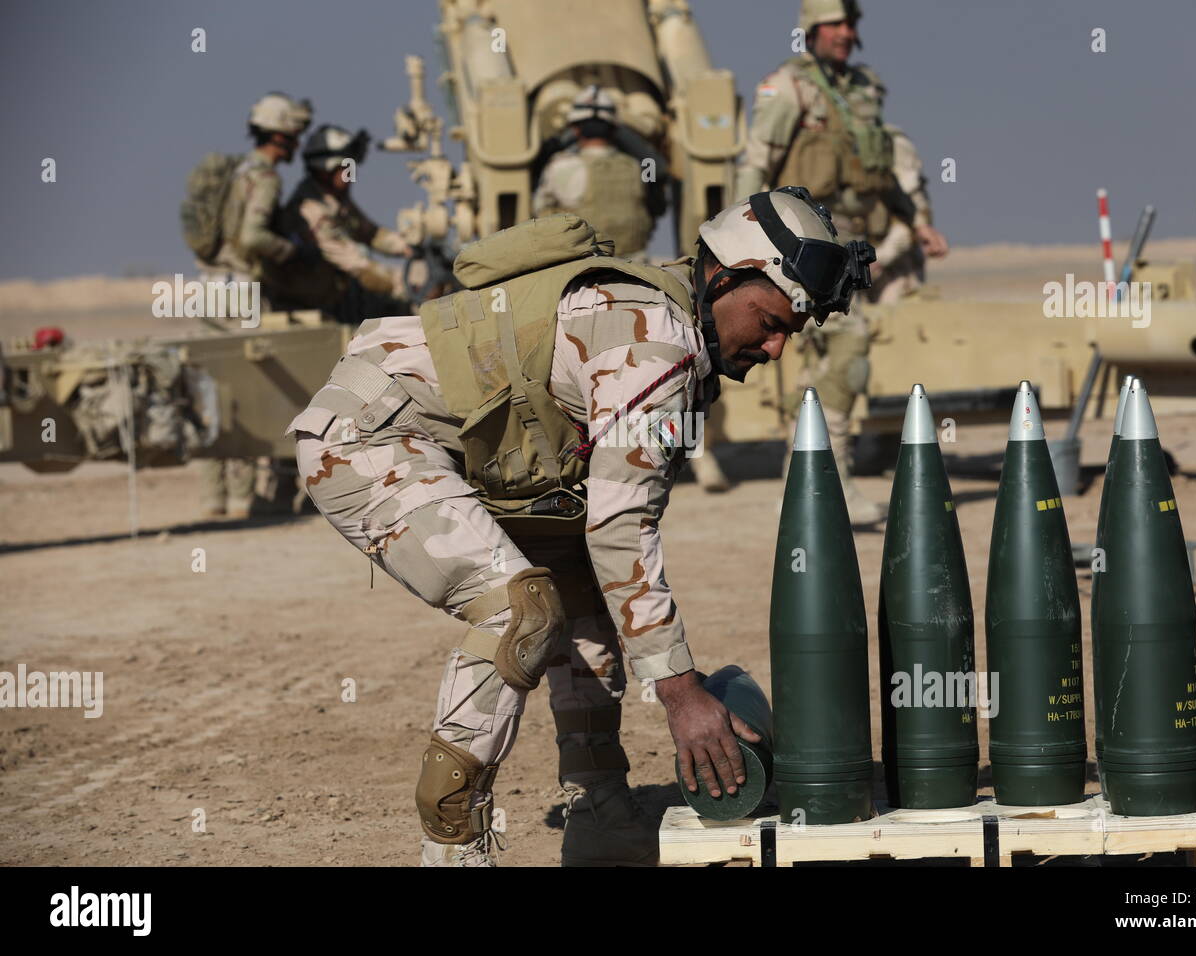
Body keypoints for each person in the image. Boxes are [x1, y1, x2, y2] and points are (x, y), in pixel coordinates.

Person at [287, 187, 874, 865]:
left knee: (586, 599)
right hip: (366, 439)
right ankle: (453, 848)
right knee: (519, 614)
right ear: (725, 276)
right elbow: (621, 527)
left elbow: (610, 537)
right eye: (769, 320)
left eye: (789, 334)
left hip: (444, 448)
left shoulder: (677, 331)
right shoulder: (659, 347)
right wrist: (681, 694)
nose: (774, 348)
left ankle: (600, 809)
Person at [731, 0, 947, 520]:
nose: (845, 33)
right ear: (811, 30)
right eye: (834, 24)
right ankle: (831, 479)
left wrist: (917, 222)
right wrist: (741, 237)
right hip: (808, 243)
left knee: (837, 358)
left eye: (851, 23)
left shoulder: (862, 90)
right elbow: (756, 162)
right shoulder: (787, 87)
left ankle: (813, 474)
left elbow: (885, 163)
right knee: (846, 347)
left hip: (858, 242)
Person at [199, 92, 312, 519]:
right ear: (282, 137)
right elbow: (252, 238)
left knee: (213, 390)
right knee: (250, 392)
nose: (297, 144)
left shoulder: (235, 172)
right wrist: (291, 252)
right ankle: (250, 497)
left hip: (208, 288)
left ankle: (214, 496)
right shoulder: (264, 176)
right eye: (295, 135)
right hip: (241, 290)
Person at [281, 124, 422, 322]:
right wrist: (408, 285)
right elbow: (360, 267)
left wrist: (411, 248)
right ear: (324, 170)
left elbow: (370, 233)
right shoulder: (311, 212)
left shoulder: (337, 200)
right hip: (320, 305)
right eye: (346, 167)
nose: (352, 174)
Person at [533, 85, 661, 261]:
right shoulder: (636, 167)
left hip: (582, 268)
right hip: (635, 268)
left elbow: (540, 211)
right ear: (614, 129)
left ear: (576, 129)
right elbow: (655, 197)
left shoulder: (559, 166)